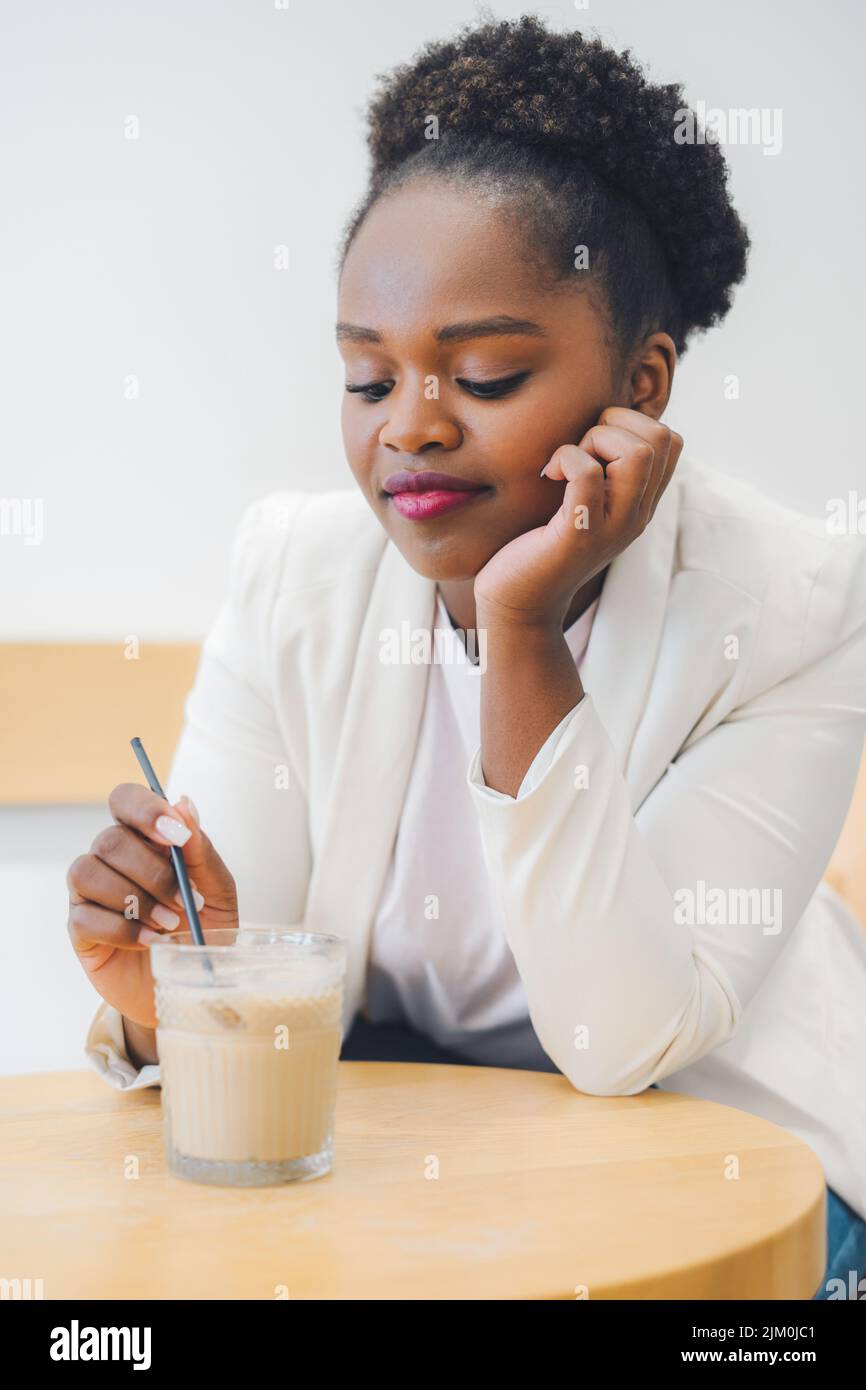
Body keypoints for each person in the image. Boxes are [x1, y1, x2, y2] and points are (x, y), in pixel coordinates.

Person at [66, 18, 866, 1298]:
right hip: (411, 1139)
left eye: (484, 374)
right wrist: (181, 980)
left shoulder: (789, 605)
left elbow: (621, 1040)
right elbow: (253, 1000)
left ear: (640, 384)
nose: (410, 430)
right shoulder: (294, 572)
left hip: (713, 1140)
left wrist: (522, 631)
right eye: (365, 378)